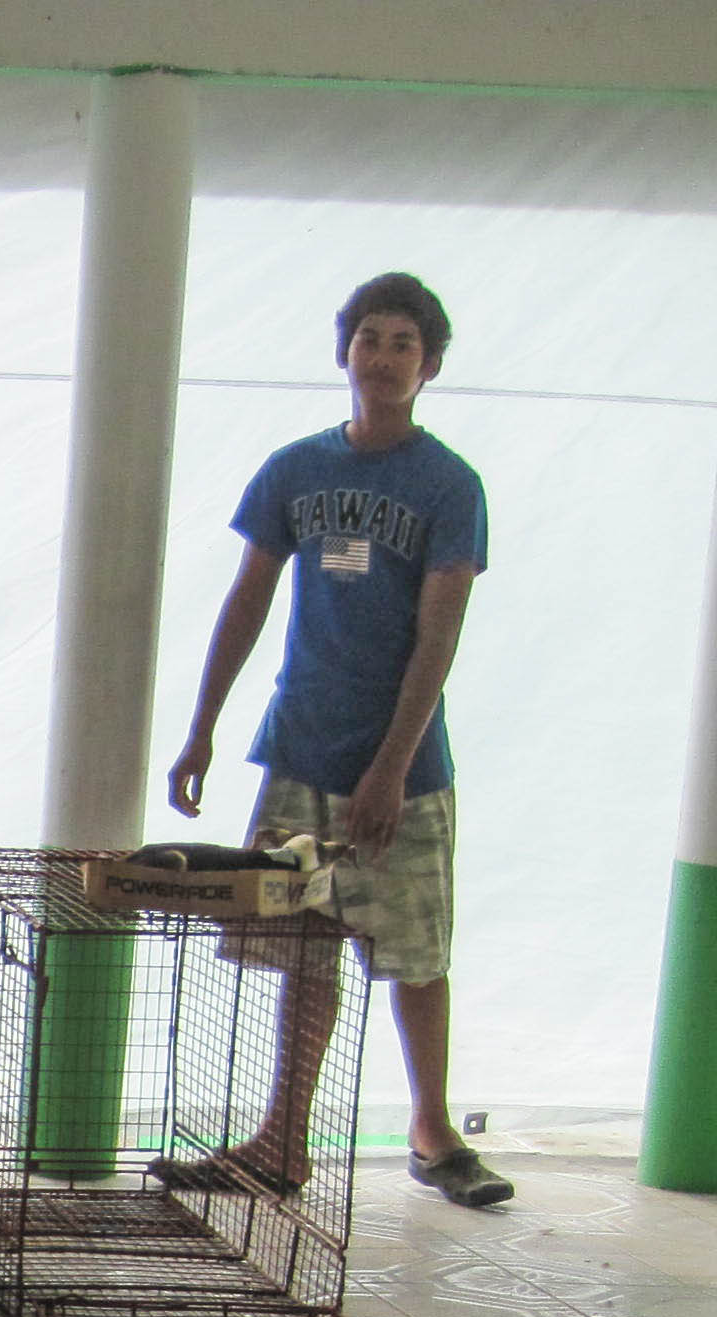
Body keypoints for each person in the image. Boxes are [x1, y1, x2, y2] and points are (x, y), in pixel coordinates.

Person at [165, 270, 511, 1211]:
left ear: (430, 364)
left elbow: (439, 634)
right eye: (370, 338)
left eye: (404, 342)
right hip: (301, 748)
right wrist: (202, 727)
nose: (385, 356)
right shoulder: (294, 470)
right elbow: (248, 599)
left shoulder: (448, 486)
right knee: (304, 946)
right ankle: (283, 1139)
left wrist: (391, 768)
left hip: (403, 766)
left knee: (413, 954)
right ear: (344, 353)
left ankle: (434, 1132)